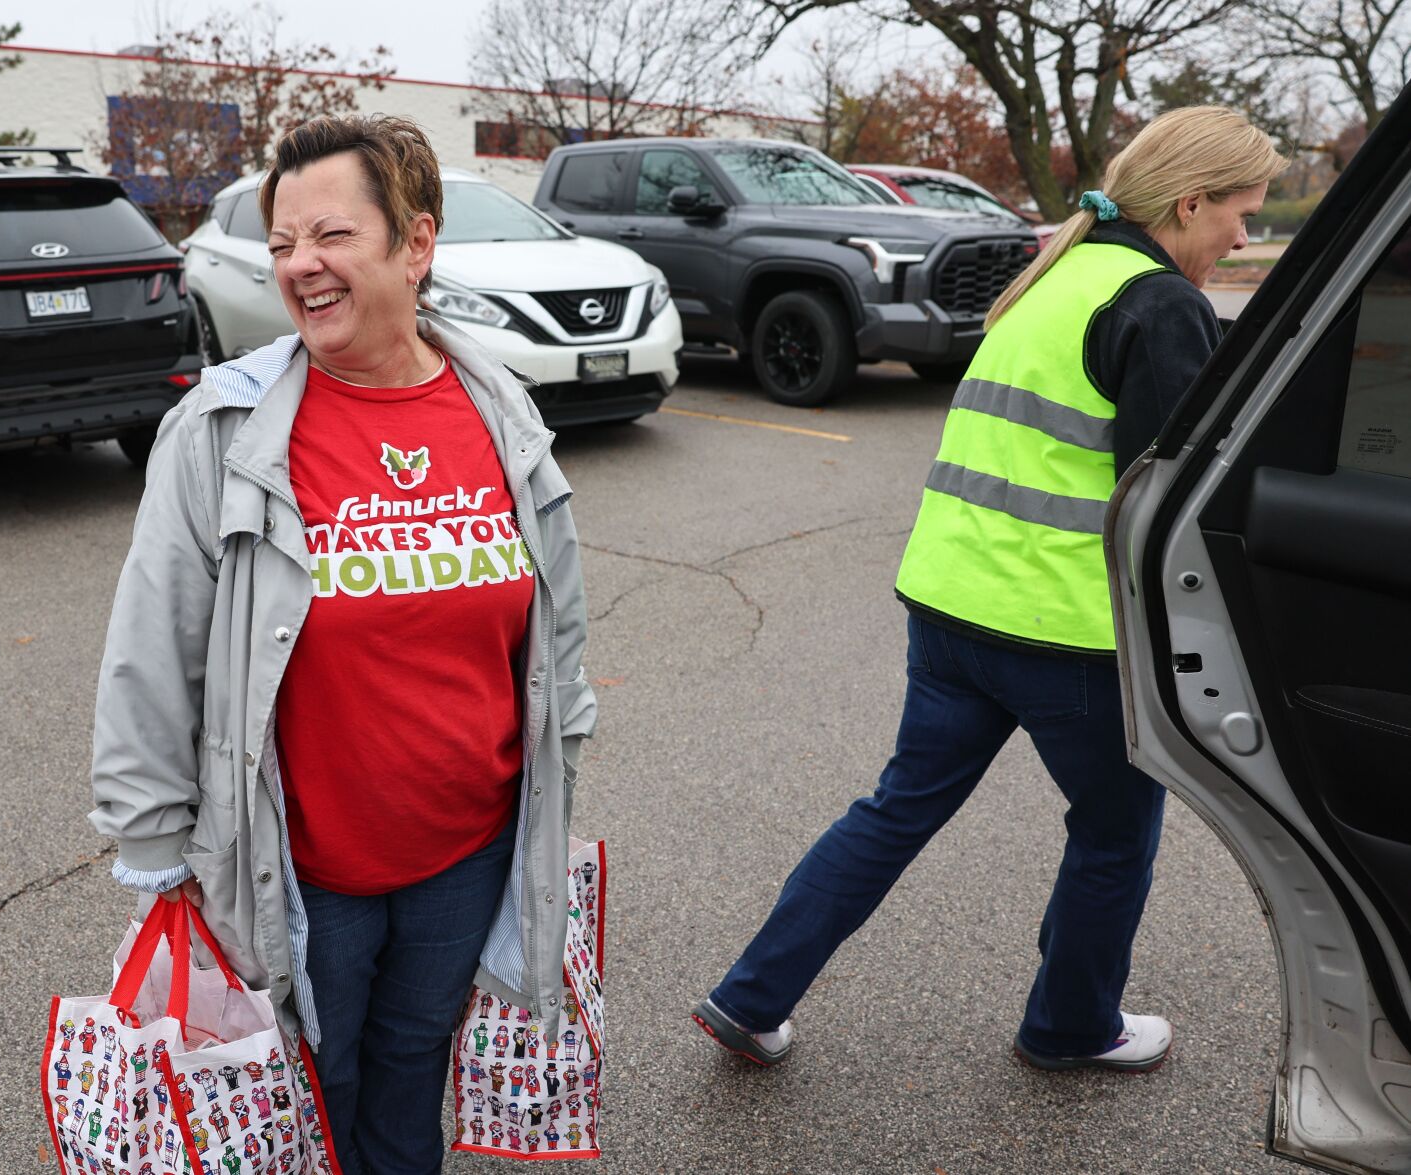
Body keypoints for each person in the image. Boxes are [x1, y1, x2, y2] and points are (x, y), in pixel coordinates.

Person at [693, 106, 1286, 1072]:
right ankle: (1069, 1026)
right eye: (1240, 213)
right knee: (1112, 835)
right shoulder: (1158, 303)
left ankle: (749, 998)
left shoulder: (1054, 275)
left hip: (951, 610)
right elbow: (1173, 504)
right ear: (1189, 202)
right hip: (1065, 634)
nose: (1242, 236)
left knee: (893, 811)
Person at [88, 113, 597, 1173]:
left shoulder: (496, 407)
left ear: (415, 244)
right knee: (312, 1078)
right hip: (299, 861)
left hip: (466, 848)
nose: (299, 266)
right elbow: (152, 646)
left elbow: (557, 615)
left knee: (413, 1058)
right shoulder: (225, 429)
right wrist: (150, 842)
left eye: (328, 236)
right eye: (280, 245)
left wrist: (565, 750)